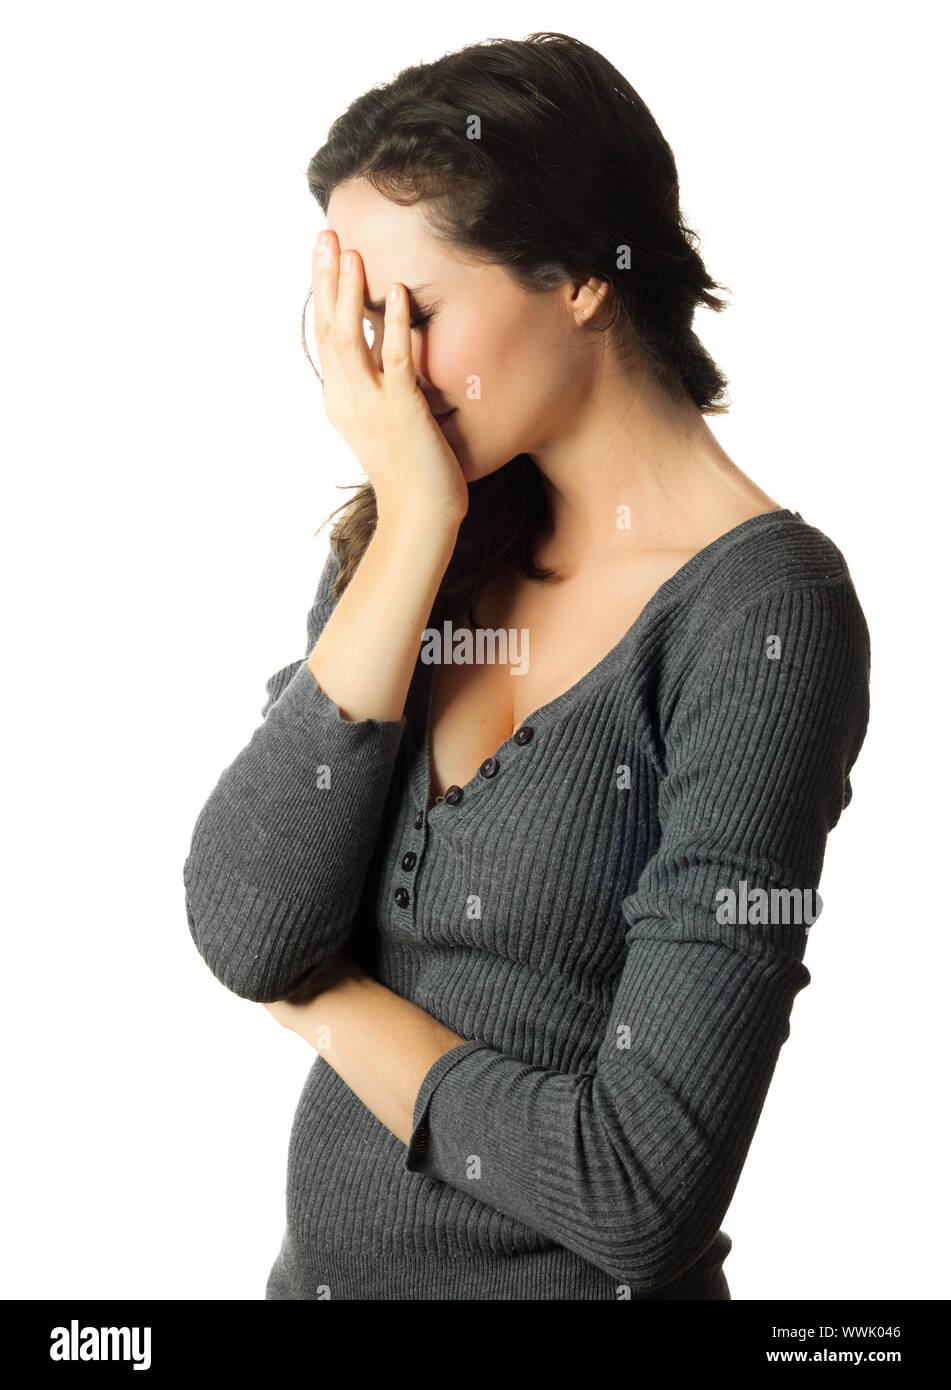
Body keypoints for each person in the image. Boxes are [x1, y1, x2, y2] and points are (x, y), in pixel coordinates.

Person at [183, 32, 871, 1300]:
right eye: (354, 319)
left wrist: (330, 1006)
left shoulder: (764, 616)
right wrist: (414, 527)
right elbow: (243, 927)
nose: (377, 370)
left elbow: (637, 1188)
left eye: (418, 312)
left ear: (581, 279)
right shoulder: (420, 527)